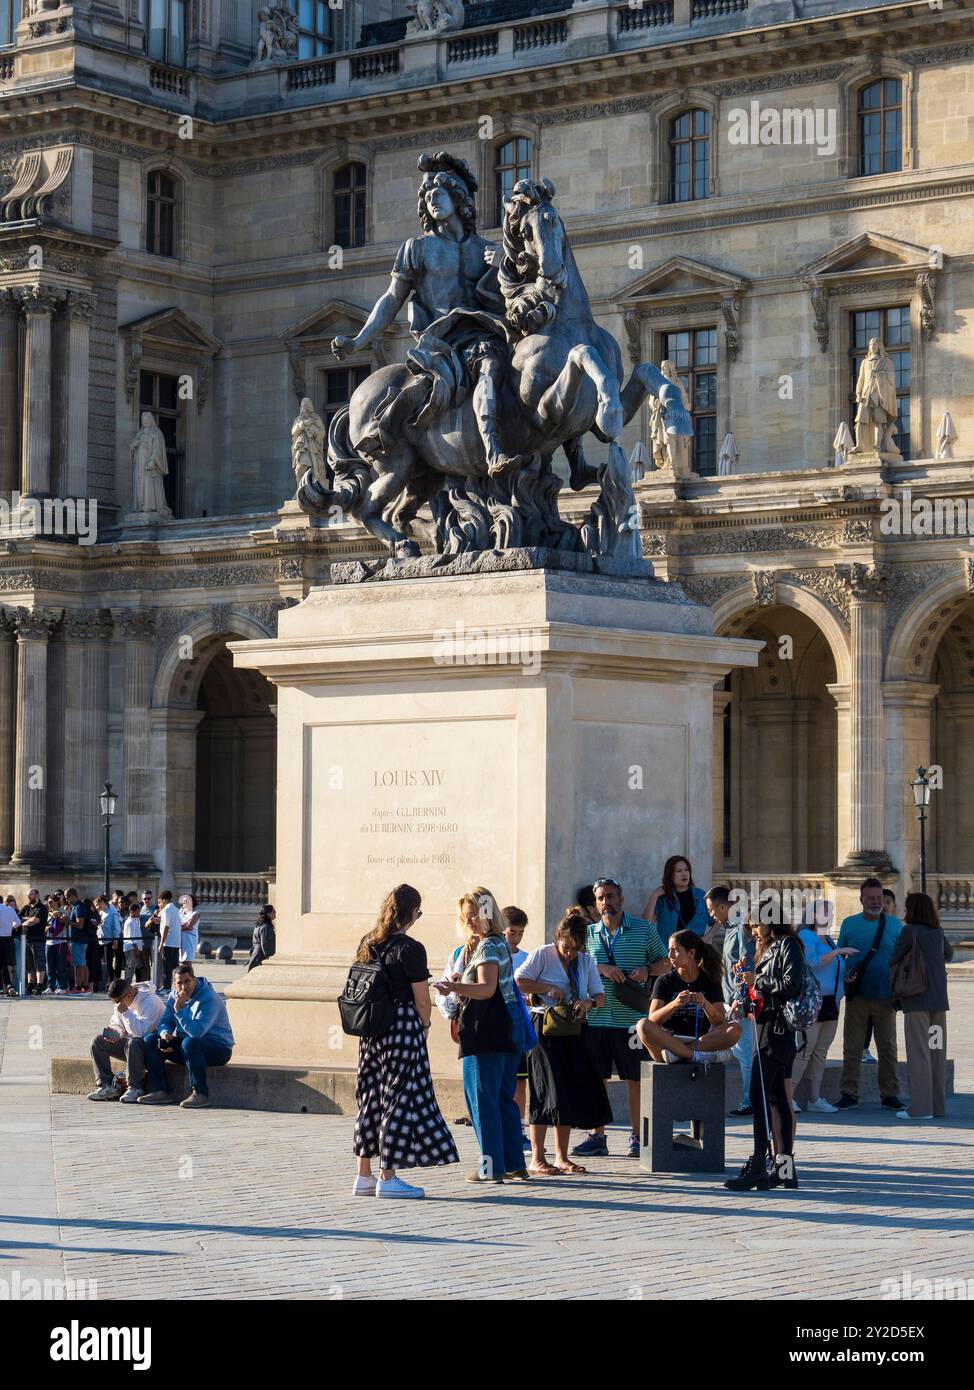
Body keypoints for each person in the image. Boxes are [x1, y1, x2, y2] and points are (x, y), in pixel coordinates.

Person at [353, 884, 458, 1199]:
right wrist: (424, 1024)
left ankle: (364, 1175)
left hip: (371, 1029)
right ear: (412, 911)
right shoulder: (411, 948)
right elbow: (421, 1000)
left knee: (370, 1095)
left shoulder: (368, 942)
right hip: (401, 1027)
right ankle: (388, 1176)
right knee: (397, 1098)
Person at [435, 888, 533, 1184]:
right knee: (503, 1099)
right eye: (467, 916)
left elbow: (486, 989)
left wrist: (454, 988)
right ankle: (514, 1164)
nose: (472, 920)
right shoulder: (498, 943)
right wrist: (460, 981)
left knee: (482, 1100)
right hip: (507, 1030)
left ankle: (490, 1167)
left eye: (476, 913)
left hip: (486, 1033)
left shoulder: (488, 947)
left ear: (489, 912)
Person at [572, 877, 668, 1159]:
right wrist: (601, 968)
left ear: (621, 899)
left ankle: (637, 1137)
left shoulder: (643, 929)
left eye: (611, 897)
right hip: (598, 1019)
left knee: (635, 1080)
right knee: (597, 1079)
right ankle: (597, 1136)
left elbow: (666, 963)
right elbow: (576, 966)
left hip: (631, 1020)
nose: (606, 903)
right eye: (601, 898)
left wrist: (646, 970)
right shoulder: (588, 934)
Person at [515, 908, 611, 1175]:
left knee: (567, 1091)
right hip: (544, 1029)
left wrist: (588, 1003)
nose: (569, 953)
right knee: (545, 1090)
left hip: (574, 1028)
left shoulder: (585, 961)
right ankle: (537, 1157)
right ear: (558, 938)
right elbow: (519, 981)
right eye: (566, 947)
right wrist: (547, 988)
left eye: (575, 949)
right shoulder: (543, 954)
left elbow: (600, 995)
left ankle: (561, 1157)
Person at [725, 920, 805, 1191]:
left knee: (761, 1098)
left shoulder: (788, 944)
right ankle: (784, 1171)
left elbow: (792, 984)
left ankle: (759, 1165)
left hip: (778, 1031)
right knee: (776, 1099)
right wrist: (746, 985)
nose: (754, 930)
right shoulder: (767, 948)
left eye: (757, 924)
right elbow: (762, 995)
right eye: (751, 925)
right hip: (767, 1027)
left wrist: (756, 978)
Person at [836, 878, 904, 1111]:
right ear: (861, 899)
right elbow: (840, 957)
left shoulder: (896, 925)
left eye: (879, 899)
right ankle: (849, 1094)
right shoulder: (849, 924)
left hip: (886, 996)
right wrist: (846, 977)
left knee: (887, 1048)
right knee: (852, 1047)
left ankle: (889, 1094)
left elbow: (904, 959)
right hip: (858, 997)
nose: (876, 902)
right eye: (871, 898)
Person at [889, 892, 953, 1121]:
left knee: (919, 1054)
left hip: (917, 1003)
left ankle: (921, 1108)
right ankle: (937, 1106)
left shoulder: (910, 931)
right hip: (938, 1004)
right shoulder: (938, 931)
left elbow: (894, 959)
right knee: (936, 1053)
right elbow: (949, 954)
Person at [139, 963, 235, 1108]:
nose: (184, 987)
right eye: (179, 983)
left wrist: (179, 1010)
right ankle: (160, 1091)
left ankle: (200, 1093)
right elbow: (165, 1022)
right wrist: (165, 1033)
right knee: (151, 1040)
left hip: (218, 1049)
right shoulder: (174, 995)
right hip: (189, 1046)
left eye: (187, 981)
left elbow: (197, 1032)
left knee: (189, 1043)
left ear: (194, 980)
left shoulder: (209, 999)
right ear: (174, 984)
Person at [636, 930, 741, 1062]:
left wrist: (705, 1004)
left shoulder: (710, 981)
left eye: (675, 950)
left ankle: (681, 1054)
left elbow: (719, 1022)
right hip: (668, 1043)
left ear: (691, 953)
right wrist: (674, 1004)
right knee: (642, 1025)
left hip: (701, 1042)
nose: (670, 955)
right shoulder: (664, 981)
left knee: (735, 1029)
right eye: (669, 950)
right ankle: (693, 1056)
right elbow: (652, 1019)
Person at [791, 901, 856, 1114]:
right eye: (824, 912)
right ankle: (788, 1096)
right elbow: (811, 963)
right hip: (813, 1003)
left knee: (820, 1052)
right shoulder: (806, 937)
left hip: (832, 1002)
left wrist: (847, 974)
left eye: (831, 912)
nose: (829, 916)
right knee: (804, 1050)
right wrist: (838, 953)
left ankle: (814, 1098)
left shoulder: (828, 939)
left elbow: (831, 970)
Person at [87, 978, 167, 1104]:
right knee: (97, 1041)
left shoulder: (151, 1002)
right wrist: (114, 1033)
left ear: (129, 993)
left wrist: (125, 1012)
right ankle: (106, 1085)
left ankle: (135, 1088)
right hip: (130, 1046)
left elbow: (141, 1033)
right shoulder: (121, 1004)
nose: (117, 1005)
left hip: (149, 1049)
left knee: (133, 1042)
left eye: (118, 1001)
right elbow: (117, 1023)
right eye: (114, 1002)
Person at [716, 889, 755, 1115]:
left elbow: (745, 966)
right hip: (730, 1001)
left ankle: (749, 1100)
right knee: (742, 1052)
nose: (711, 915)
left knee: (744, 1053)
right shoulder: (731, 929)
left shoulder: (740, 929)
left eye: (712, 910)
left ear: (723, 907)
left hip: (738, 1003)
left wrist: (739, 1001)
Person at [503, 905, 531, 1148]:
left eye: (520, 933)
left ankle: (519, 1128)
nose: (516, 937)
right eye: (512, 932)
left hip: (519, 1026)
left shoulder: (527, 958)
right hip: (496, 1027)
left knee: (520, 1080)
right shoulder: (490, 954)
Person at [643, 855, 713, 941]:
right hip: (669, 952)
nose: (684, 874)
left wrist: (707, 937)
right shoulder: (663, 899)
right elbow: (646, 925)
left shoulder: (701, 896)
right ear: (670, 875)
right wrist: (653, 897)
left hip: (695, 951)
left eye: (686, 870)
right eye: (679, 871)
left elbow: (719, 919)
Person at [20, 888, 48, 995]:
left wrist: (23, 922)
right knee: (29, 966)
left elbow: (35, 920)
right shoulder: (26, 907)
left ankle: (39, 986)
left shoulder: (42, 908)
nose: (29, 896)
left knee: (39, 964)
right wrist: (28, 918)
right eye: (28, 895)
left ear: (37, 894)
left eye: (31, 894)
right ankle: (30, 985)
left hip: (38, 940)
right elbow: (18, 917)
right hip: (26, 940)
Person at [94, 896, 123, 990]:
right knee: (98, 962)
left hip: (110, 941)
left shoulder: (113, 913)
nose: (97, 907)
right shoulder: (101, 912)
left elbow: (116, 928)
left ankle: (110, 984)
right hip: (100, 940)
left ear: (103, 902)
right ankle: (98, 984)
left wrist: (115, 941)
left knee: (109, 964)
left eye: (98, 904)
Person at [66, 889, 91, 994]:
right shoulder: (77, 906)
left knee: (79, 964)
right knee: (82, 963)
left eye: (67, 897)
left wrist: (67, 921)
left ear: (73, 896)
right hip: (80, 939)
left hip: (79, 940)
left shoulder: (79, 907)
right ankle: (85, 987)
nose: (67, 900)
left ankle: (79, 987)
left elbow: (80, 925)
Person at [44, 894, 70, 994]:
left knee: (60, 966)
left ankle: (63, 986)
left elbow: (67, 923)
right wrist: (46, 928)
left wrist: (59, 916)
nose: (48, 904)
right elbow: (44, 927)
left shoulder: (63, 911)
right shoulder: (48, 914)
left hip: (60, 942)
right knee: (49, 966)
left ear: (56, 902)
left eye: (50, 902)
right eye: (48, 902)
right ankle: (51, 986)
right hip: (49, 942)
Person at [156, 889, 182, 990]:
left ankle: (166, 987)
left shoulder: (166, 910)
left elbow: (166, 927)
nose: (160, 904)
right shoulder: (176, 909)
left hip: (168, 942)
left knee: (167, 967)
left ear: (164, 900)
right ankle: (177, 987)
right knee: (175, 967)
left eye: (160, 901)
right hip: (176, 942)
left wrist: (161, 943)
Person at [247, 904, 277, 972]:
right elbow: (265, 943)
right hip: (261, 957)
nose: (275, 913)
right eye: (273, 911)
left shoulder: (258, 925)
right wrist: (269, 957)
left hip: (256, 955)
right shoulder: (266, 927)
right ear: (268, 914)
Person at [0, 894, 19, 996]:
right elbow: (19, 922)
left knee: (3, 965)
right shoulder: (10, 910)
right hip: (7, 939)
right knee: (3, 964)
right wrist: (11, 927)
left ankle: (6, 987)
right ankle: (8, 985)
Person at [122, 901, 145, 982]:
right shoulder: (130, 922)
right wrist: (136, 949)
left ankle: (137, 984)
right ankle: (127, 983)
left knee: (137, 966)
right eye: (138, 911)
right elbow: (131, 937)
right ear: (132, 911)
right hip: (131, 948)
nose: (139, 913)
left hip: (134, 947)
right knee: (130, 966)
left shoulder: (134, 921)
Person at [139, 891, 158, 986]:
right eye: (145, 898)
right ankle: (146, 983)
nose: (147, 900)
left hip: (153, 940)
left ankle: (155, 983)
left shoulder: (156, 908)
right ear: (142, 899)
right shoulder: (139, 909)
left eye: (149, 898)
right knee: (144, 963)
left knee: (154, 963)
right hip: (142, 940)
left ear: (152, 898)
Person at [178, 893, 201, 963]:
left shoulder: (195, 914)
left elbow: (189, 927)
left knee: (187, 961)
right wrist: (182, 925)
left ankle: (190, 974)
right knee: (182, 961)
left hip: (190, 939)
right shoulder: (181, 911)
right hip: (181, 939)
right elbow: (177, 923)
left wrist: (177, 927)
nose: (184, 903)